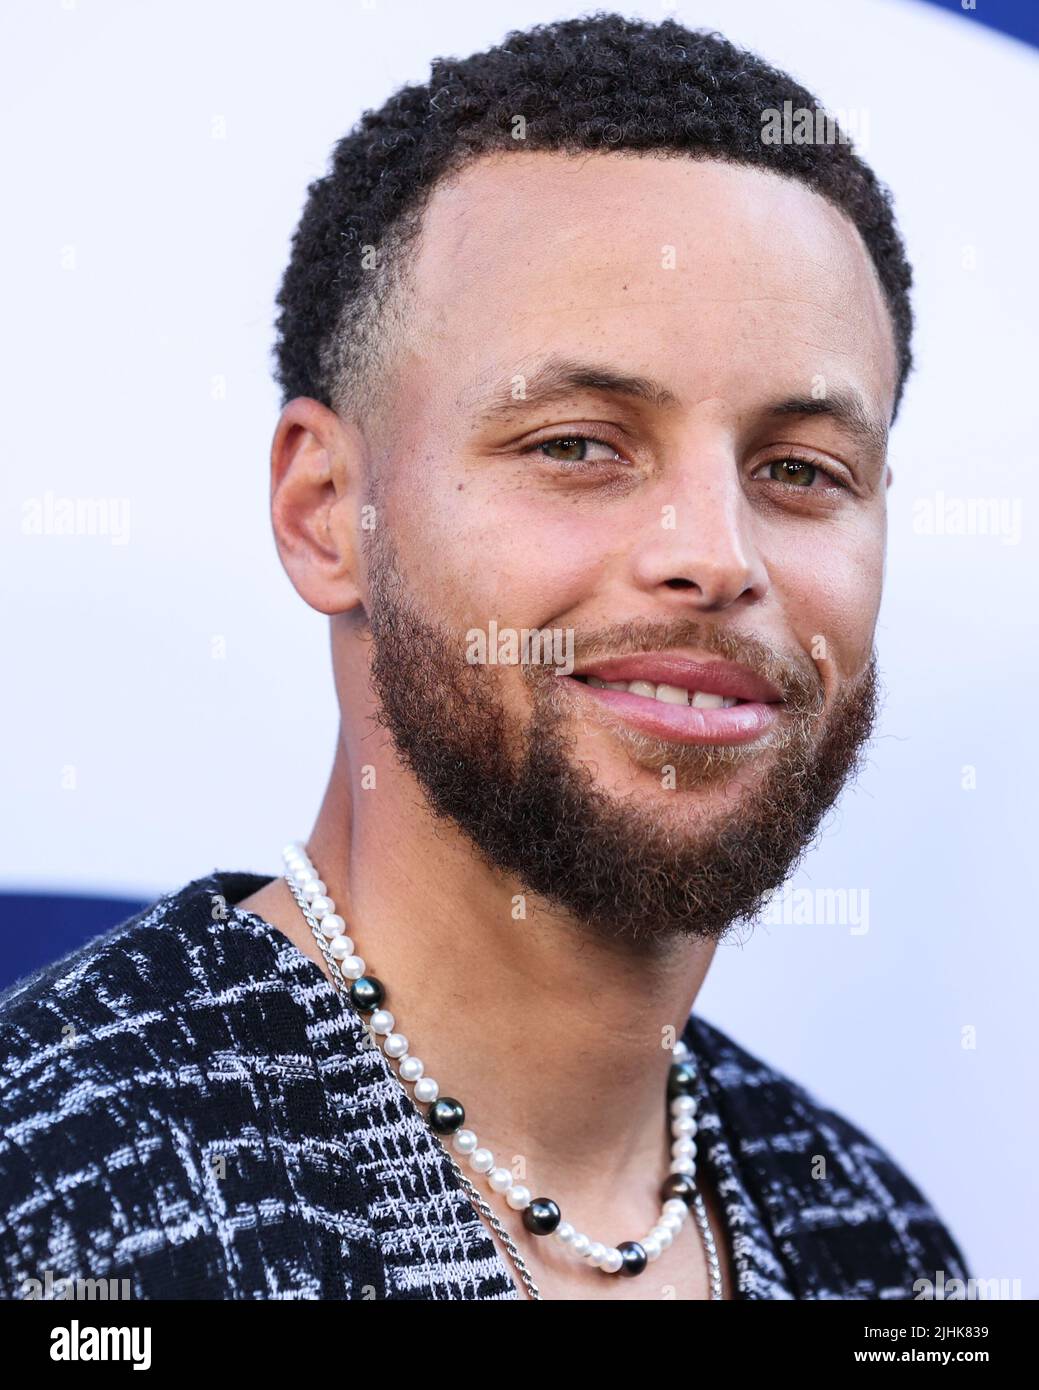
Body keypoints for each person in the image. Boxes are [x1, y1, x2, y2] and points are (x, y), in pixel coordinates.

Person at [0, 13, 969, 1301]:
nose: (716, 555)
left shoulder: (880, 1248)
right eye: (577, 444)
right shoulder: (57, 1201)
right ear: (325, 511)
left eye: (801, 470)